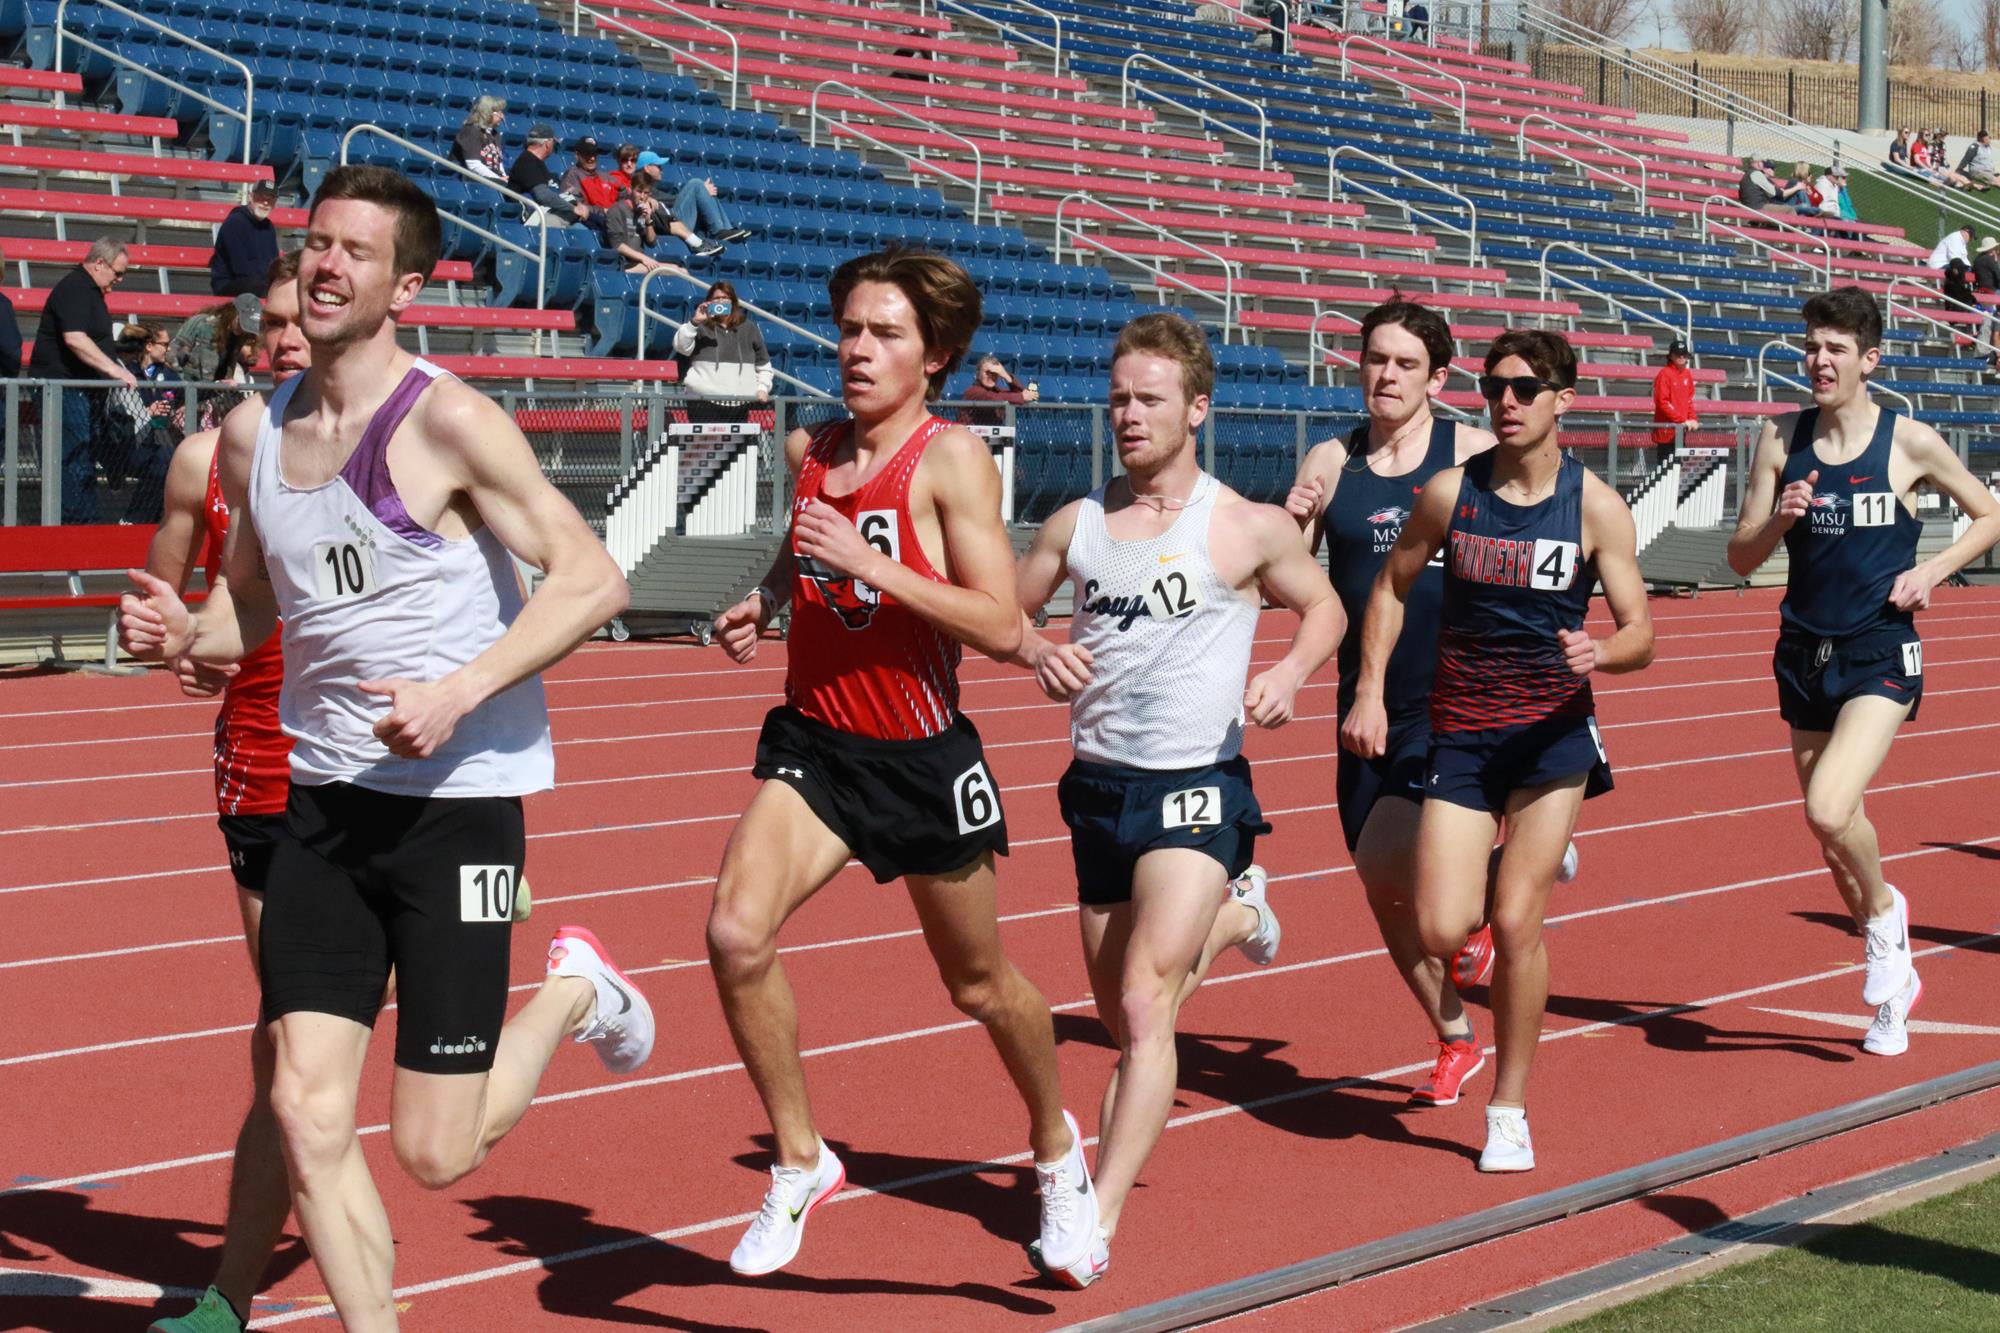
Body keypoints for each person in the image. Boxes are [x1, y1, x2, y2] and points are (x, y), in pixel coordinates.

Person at [116, 165, 651, 1332]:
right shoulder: (254, 433)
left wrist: (461, 690)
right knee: (307, 1112)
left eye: (356, 251)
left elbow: (594, 579)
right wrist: (176, 629)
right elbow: (251, 614)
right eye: (315, 241)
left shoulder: (447, 419)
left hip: (453, 809)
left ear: (405, 283)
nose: (324, 263)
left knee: (435, 1151)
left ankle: (574, 990)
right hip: (320, 805)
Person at [706, 246, 1096, 1283]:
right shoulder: (813, 444)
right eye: (849, 330)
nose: (857, 350)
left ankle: (1056, 1148)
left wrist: (873, 565)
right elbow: (808, 545)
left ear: (936, 358)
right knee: (733, 933)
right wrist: (770, 596)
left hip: (918, 754)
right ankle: (800, 1160)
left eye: (884, 335)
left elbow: (999, 619)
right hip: (816, 743)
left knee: (978, 983)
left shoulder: (948, 458)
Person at [1002, 312, 1340, 1281]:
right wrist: (1037, 652)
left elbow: (1323, 606)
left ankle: (1093, 1220)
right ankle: (1239, 915)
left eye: (1149, 398)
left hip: (1196, 784)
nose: (1127, 415)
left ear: (1197, 408)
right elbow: (1005, 615)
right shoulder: (1078, 525)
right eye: (1117, 398)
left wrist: (1289, 675)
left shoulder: (1244, 525)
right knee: (1119, 1017)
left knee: (1148, 1005)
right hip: (1097, 789)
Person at [1348, 328, 1654, 1173]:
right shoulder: (1451, 493)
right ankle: (1528, 860)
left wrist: (1605, 652)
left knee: (1516, 923)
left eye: (1525, 388)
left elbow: (1642, 632)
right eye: (1494, 388)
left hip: (1552, 736)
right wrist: (1371, 688)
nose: (1507, 402)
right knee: (1447, 925)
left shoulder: (1596, 507)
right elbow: (1392, 583)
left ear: (1565, 398)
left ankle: (1510, 1105)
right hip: (1465, 732)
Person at [1286, 300, 1577, 1111]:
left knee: (1398, 860)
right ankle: (1453, 1033)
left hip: (1459, 699)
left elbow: (1548, 522)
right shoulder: (1329, 458)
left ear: (1439, 378)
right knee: (1380, 888)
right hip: (1366, 699)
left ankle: (1491, 870)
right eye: (1375, 358)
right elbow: (1289, 583)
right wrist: (1295, 522)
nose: (1386, 375)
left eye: (1406, 364)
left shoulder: (1473, 453)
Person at [1726, 287, 2000, 1058]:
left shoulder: (1908, 441)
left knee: (1828, 805)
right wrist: (1781, 517)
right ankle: (1894, 984)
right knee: (1833, 836)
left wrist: (1934, 570)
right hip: (1803, 649)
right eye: (1811, 346)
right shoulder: (1782, 438)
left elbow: (1990, 511)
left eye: (1835, 348)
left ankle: (1884, 922)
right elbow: (1741, 558)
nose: (1818, 359)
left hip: (1881, 646)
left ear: (1869, 360)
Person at [140, 253, 309, 1333]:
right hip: (260, 760)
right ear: (253, 340)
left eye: (308, 321)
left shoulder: (397, 442)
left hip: (391, 770)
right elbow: (182, 605)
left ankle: (576, 992)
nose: (290, 339)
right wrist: (175, 642)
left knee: (443, 1126)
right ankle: (228, 1298)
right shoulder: (210, 459)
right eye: (276, 325)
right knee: (288, 1040)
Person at [27, 236, 135, 522]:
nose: (120, 280)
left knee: (83, 460)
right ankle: (75, 527)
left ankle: (86, 526)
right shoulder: (75, 288)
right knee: (73, 460)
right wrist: (114, 370)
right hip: (64, 390)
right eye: (118, 272)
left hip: (80, 392)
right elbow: (75, 338)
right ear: (100, 263)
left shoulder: (90, 292)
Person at [672, 280, 772, 424]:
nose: (720, 302)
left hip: (740, 403)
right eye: (716, 299)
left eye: (725, 298)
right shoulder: (699, 326)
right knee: (704, 445)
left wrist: (762, 387)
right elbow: (681, 347)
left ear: (733, 302)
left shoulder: (748, 328)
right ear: (708, 302)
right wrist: (695, 321)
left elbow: (764, 365)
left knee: (735, 446)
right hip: (703, 400)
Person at [635, 152, 751, 252]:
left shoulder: (652, 189)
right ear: (647, 168)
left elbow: (672, 201)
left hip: (673, 221)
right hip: (671, 224)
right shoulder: (641, 189)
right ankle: (718, 231)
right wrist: (699, 192)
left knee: (703, 192)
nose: (662, 170)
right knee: (696, 184)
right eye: (658, 166)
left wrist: (702, 192)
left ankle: (726, 229)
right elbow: (674, 201)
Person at [600, 171, 707, 272]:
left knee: (682, 270)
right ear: (631, 189)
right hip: (623, 264)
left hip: (639, 262)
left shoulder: (643, 212)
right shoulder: (617, 210)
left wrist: (648, 221)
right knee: (676, 271)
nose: (642, 197)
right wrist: (644, 259)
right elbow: (617, 246)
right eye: (639, 191)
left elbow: (651, 243)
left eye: (646, 193)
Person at [505, 123, 590, 227]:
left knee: (583, 223)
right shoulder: (527, 162)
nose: (553, 146)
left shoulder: (535, 162)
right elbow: (543, 196)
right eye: (553, 142)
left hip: (543, 213)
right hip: (534, 217)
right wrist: (573, 208)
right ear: (547, 144)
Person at [210, 182, 281, 298]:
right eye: (261, 197)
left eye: (271, 199)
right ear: (250, 197)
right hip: (229, 284)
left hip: (256, 284)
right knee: (259, 286)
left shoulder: (269, 227)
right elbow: (241, 269)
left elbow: (274, 264)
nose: (265, 202)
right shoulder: (235, 223)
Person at [1650, 337, 1698, 464]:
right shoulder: (1664, 374)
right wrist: (1682, 421)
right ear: (1671, 356)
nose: (1681, 357)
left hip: (1680, 431)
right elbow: (1662, 402)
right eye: (1677, 354)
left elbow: (1689, 400)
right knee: (1666, 471)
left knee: (1679, 468)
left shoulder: (1687, 374)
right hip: (1667, 431)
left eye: (1684, 354)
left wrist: (1692, 418)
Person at [960, 354, 1039, 426]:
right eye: (987, 372)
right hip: (970, 438)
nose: (991, 376)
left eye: (995, 373)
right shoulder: (973, 391)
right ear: (978, 374)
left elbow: (1020, 393)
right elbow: (994, 398)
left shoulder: (997, 391)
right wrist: (1021, 396)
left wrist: (1005, 375)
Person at [451, 95, 507, 181]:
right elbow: (473, 164)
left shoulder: (495, 134)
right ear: (487, 113)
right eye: (499, 113)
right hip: (475, 183)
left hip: (494, 181)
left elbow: (497, 163)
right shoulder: (471, 131)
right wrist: (498, 180)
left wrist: (504, 177)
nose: (502, 116)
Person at [561, 137, 620, 212]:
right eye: (587, 154)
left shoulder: (604, 176)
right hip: (587, 220)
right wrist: (604, 211)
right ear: (577, 155)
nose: (592, 158)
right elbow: (575, 206)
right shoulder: (571, 177)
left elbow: (622, 191)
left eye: (594, 154)